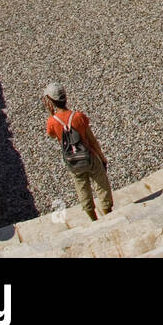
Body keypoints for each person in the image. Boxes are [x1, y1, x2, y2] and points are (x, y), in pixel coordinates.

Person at [42, 83, 113, 221]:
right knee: (101, 185)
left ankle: (93, 219)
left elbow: (52, 135)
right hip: (89, 157)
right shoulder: (79, 116)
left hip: (72, 161)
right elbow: (92, 140)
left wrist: (52, 115)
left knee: (82, 188)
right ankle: (108, 215)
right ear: (65, 98)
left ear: (51, 101)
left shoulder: (52, 122)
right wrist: (102, 157)